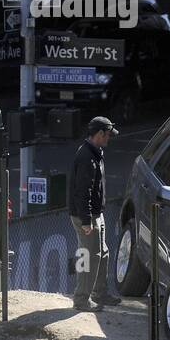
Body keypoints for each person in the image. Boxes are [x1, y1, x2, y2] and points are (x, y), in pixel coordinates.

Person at [69, 116, 122, 311]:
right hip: (87, 216)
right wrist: (86, 221)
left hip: (95, 213)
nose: (109, 138)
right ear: (99, 134)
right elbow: (82, 192)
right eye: (107, 135)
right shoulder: (87, 157)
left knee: (102, 253)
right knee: (87, 255)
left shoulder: (94, 152)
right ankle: (81, 299)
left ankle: (99, 293)